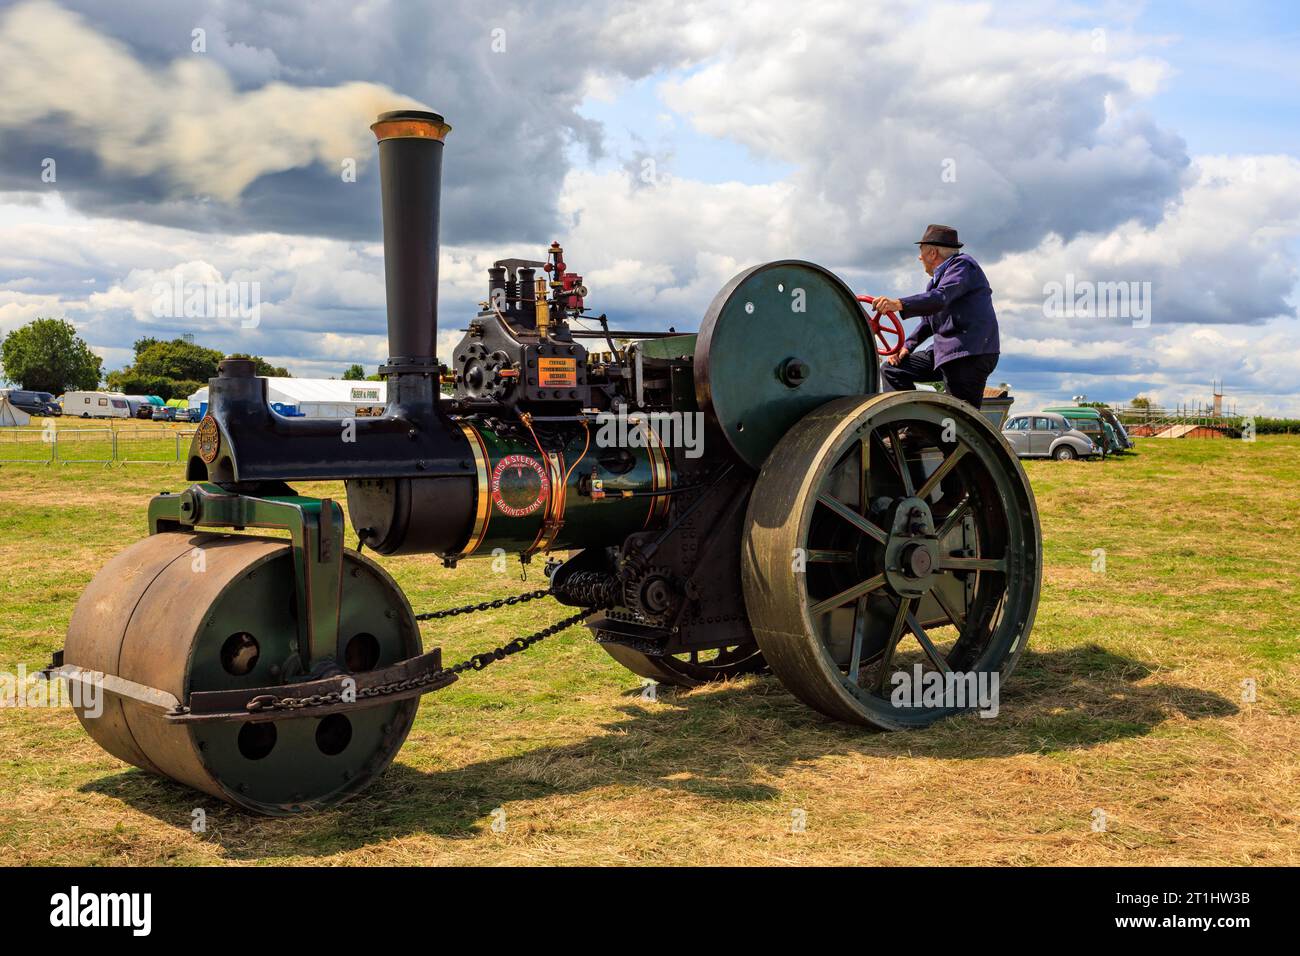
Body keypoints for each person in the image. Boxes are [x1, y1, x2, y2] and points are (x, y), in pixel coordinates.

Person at [872, 225, 999, 409]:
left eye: (921, 252)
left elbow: (941, 298)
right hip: (946, 352)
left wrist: (898, 303)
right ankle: (907, 426)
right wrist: (906, 347)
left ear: (932, 253)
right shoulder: (935, 283)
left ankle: (950, 434)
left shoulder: (963, 266)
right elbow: (928, 322)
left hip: (968, 353)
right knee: (893, 369)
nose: (919, 257)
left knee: (957, 418)